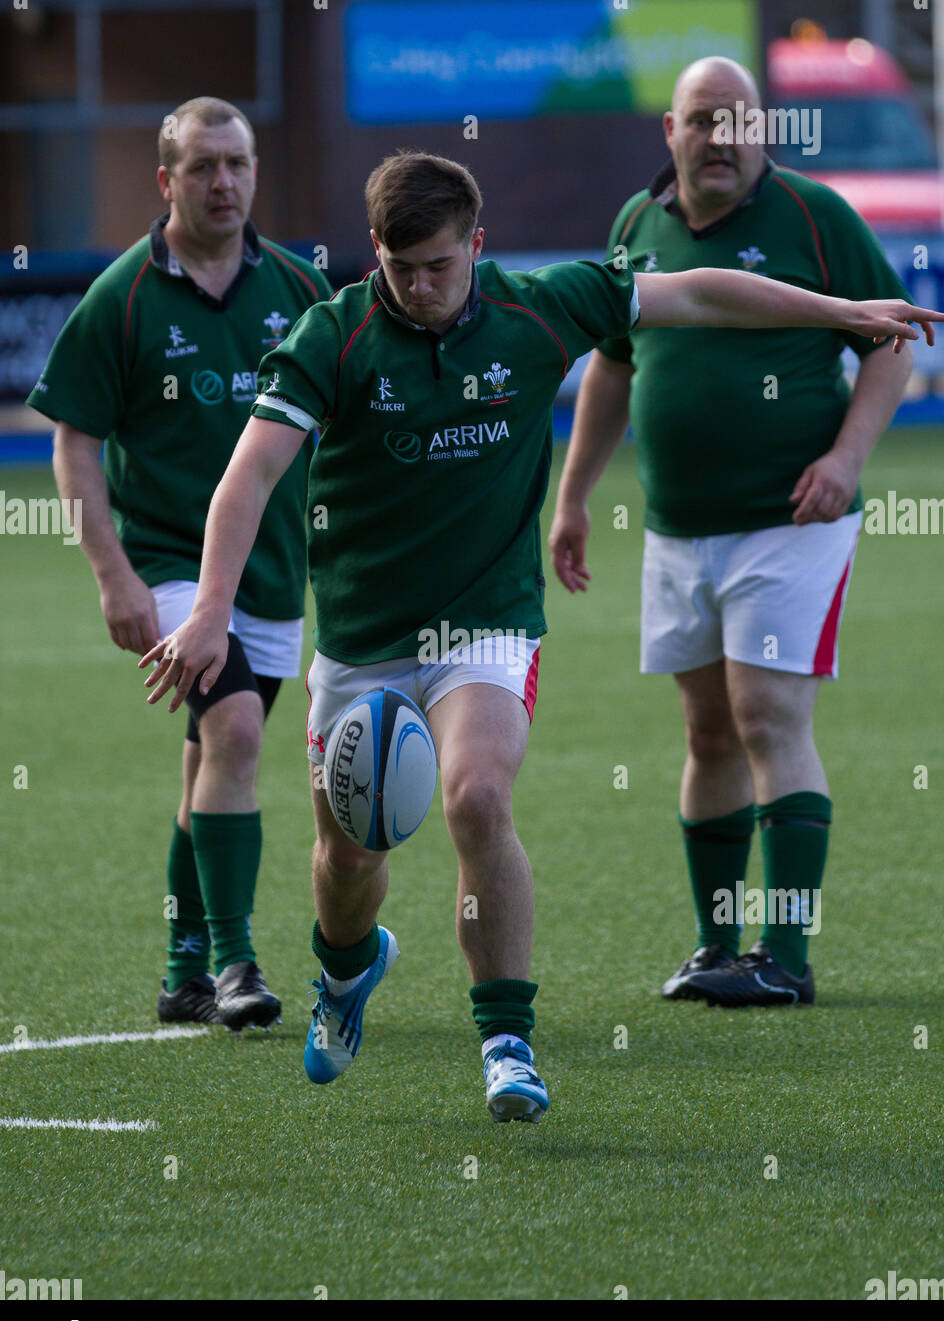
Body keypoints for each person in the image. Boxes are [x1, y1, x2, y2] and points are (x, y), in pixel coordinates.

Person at [141, 151, 938, 1117]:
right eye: (401, 269)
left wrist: (842, 314)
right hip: (362, 638)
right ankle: (346, 976)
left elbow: (701, 296)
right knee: (351, 859)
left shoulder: (542, 308)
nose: (422, 288)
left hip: (486, 622)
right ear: (376, 254)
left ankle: (507, 1040)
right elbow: (250, 476)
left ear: (477, 245)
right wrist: (211, 611)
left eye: (440, 265)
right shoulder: (332, 338)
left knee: (478, 796)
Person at [549, 57, 917, 1007]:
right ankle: (717, 947)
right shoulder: (637, 226)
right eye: (703, 120)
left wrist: (845, 461)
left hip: (789, 521)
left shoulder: (814, 217)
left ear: (766, 128)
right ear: (668, 130)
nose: (722, 138)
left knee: (764, 715)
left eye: (739, 119)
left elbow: (888, 344)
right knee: (707, 730)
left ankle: (786, 955)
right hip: (678, 530)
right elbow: (613, 367)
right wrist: (574, 495)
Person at [27, 96, 332, 1030]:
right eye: (202, 166)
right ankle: (239, 965)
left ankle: (183, 968)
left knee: (212, 754)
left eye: (237, 163)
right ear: (166, 180)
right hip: (166, 565)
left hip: (272, 574)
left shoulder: (297, 288)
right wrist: (112, 573)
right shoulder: (122, 294)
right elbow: (75, 441)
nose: (224, 182)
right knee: (235, 729)